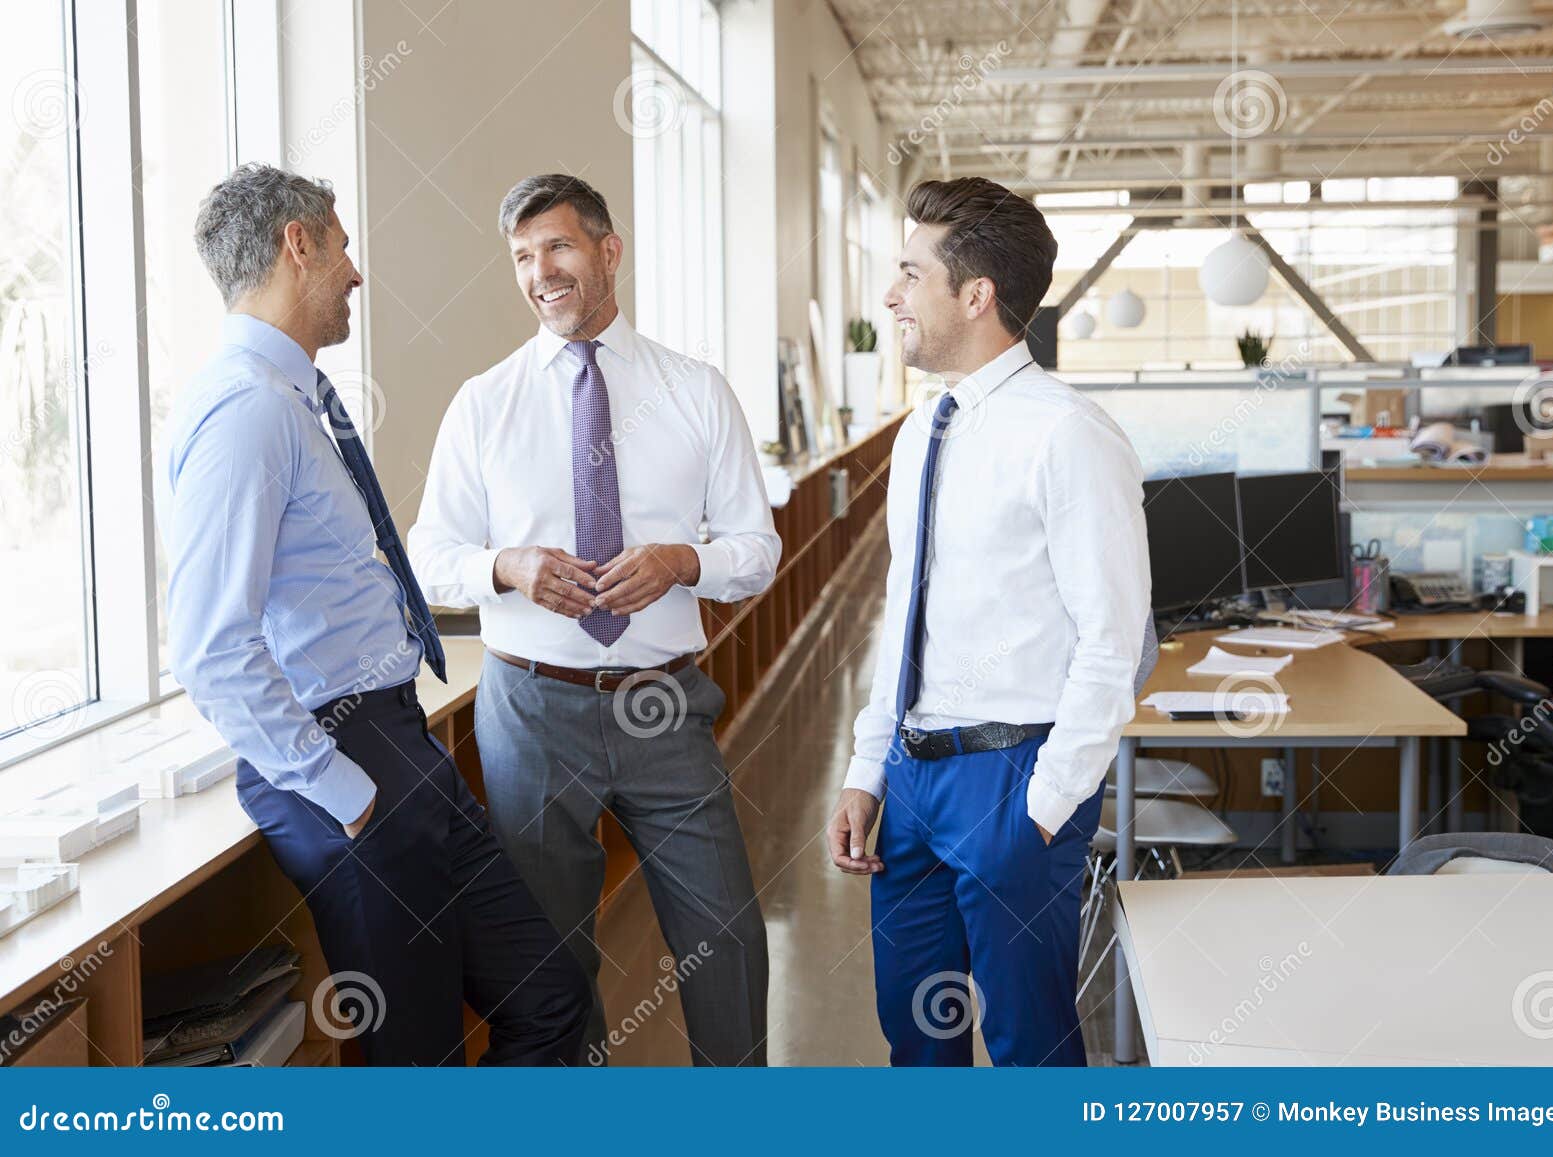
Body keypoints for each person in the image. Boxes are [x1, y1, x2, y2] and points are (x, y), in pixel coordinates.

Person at [158, 163, 590, 1066]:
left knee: (549, 996)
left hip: (398, 741)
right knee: (415, 1060)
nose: (355, 271)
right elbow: (210, 646)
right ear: (298, 243)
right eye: (344, 245)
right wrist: (343, 792)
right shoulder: (246, 411)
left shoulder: (295, 400)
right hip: (344, 765)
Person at [409, 174, 778, 1066]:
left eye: (560, 247)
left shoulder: (693, 389)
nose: (543, 272)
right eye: (524, 257)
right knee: (551, 963)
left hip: (665, 703)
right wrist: (508, 565)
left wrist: (681, 561)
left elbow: (755, 549)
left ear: (609, 252)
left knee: (724, 933)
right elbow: (429, 552)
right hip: (531, 713)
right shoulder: (484, 402)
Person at [825, 176, 1151, 1066]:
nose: (891, 294)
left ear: (976, 295)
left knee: (1028, 1046)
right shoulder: (920, 430)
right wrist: (867, 765)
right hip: (911, 782)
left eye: (908, 272)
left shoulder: (1069, 434)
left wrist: (1045, 807)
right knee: (915, 1037)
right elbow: (904, 614)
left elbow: (1114, 642)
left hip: (1012, 778)